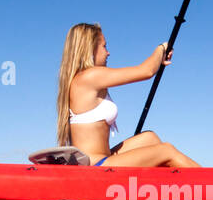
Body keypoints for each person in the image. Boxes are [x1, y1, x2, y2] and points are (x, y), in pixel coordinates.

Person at [54, 23, 200, 168]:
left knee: (150, 138)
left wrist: (158, 59)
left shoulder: (86, 79)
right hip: (97, 166)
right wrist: (161, 48)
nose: (108, 52)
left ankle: (167, 185)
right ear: (90, 48)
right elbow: (146, 71)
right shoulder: (90, 76)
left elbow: (149, 68)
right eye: (104, 46)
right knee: (166, 151)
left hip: (104, 158)